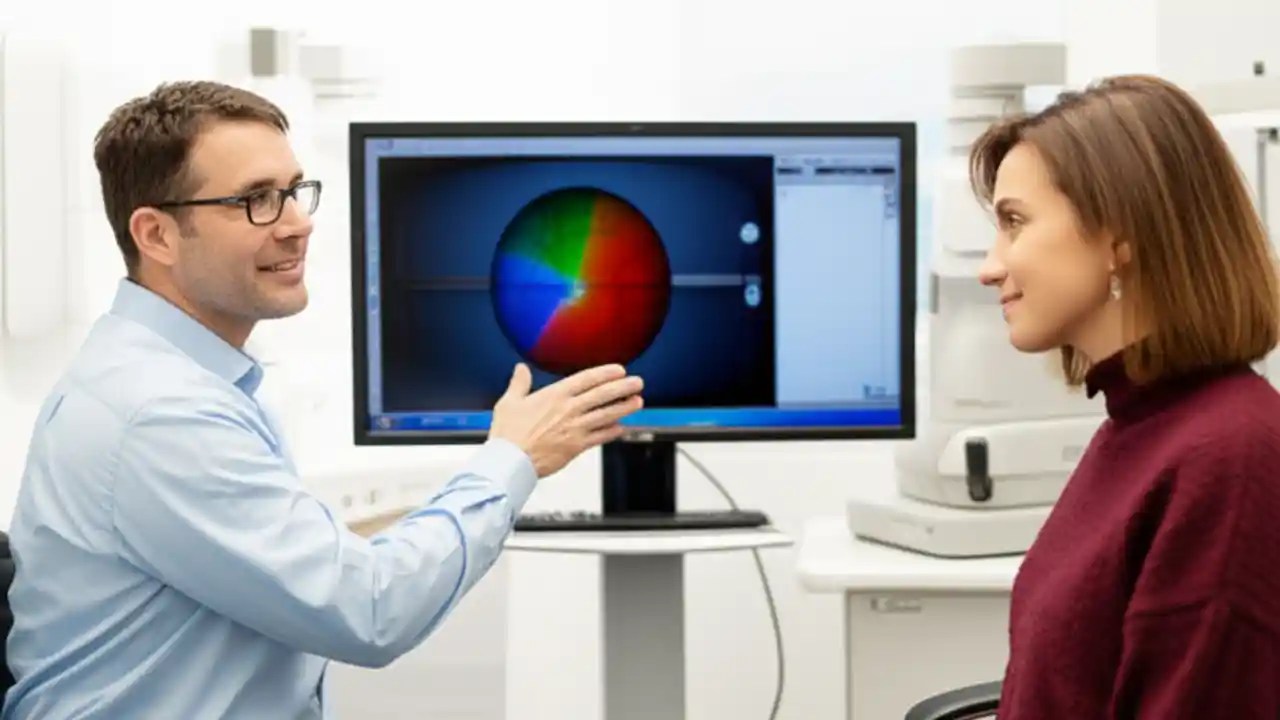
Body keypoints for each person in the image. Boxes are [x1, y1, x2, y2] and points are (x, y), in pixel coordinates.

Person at [1, 81, 644, 718]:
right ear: (157, 236)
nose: (298, 224)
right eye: (256, 200)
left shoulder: (174, 375)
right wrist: (513, 457)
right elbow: (371, 612)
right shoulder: (158, 412)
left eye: (294, 191)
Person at [973, 74, 1280, 718]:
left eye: (1015, 224)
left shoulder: (1228, 458)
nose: (990, 266)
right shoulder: (1139, 423)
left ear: (1120, 238)